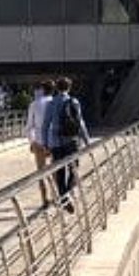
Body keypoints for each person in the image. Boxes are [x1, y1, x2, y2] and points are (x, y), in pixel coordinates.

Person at [42, 77, 90, 212]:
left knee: (60, 172)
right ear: (69, 88)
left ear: (57, 88)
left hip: (55, 142)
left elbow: (45, 126)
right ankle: (68, 193)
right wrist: (87, 141)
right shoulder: (73, 101)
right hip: (72, 140)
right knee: (74, 168)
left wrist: (45, 144)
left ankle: (64, 197)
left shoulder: (51, 103)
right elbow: (80, 122)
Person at [24, 80, 54, 205]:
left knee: (40, 172)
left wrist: (32, 142)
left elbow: (29, 126)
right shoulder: (55, 103)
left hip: (39, 142)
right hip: (54, 142)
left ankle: (44, 199)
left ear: (42, 90)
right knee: (56, 169)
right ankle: (57, 196)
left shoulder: (34, 104)